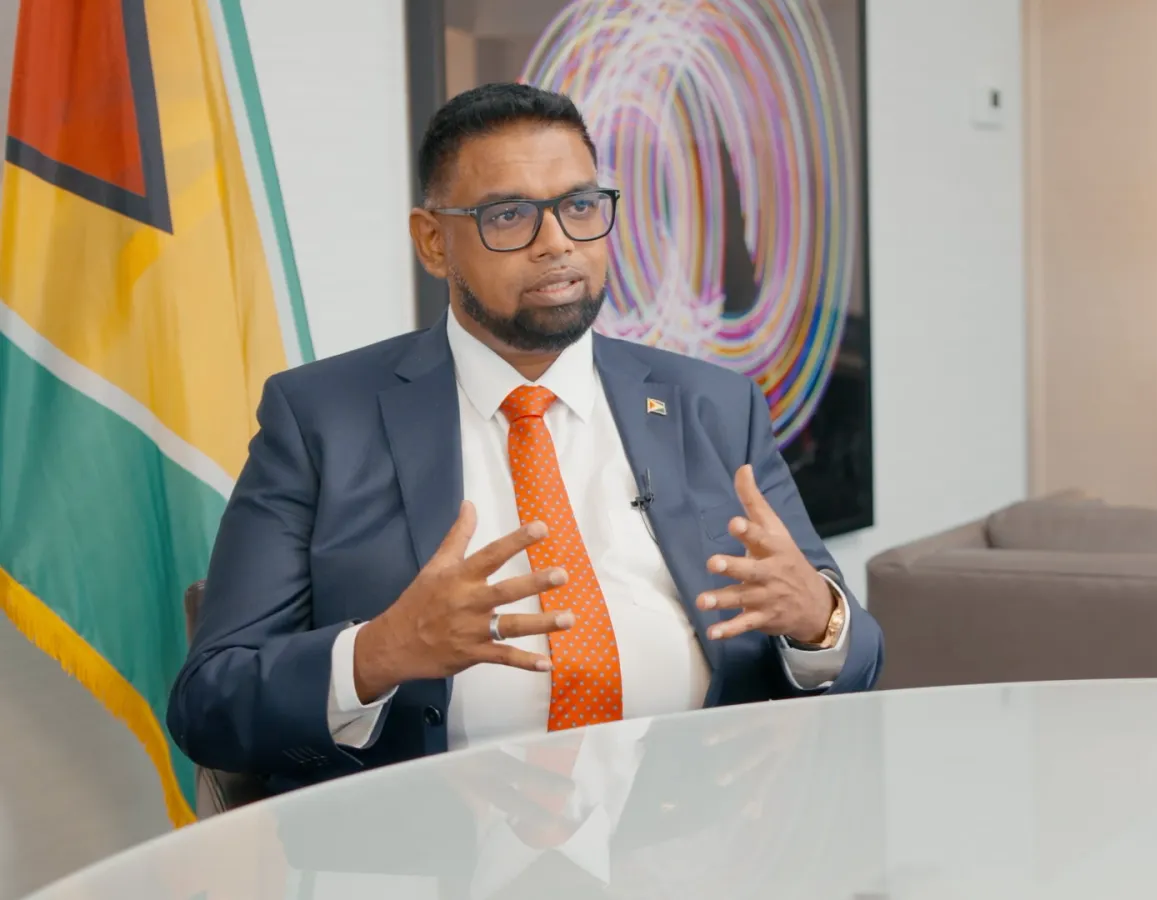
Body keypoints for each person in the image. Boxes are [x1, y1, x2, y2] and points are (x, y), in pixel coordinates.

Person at [167, 82, 883, 794]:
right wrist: (379, 652)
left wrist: (818, 621)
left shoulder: (712, 405)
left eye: (580, 206)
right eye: (508, 215)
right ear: (433, 241)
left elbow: (857, 656)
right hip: (429, 836)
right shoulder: (320, 419)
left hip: (694, 825)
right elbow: (210, 703)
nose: (557, 243)